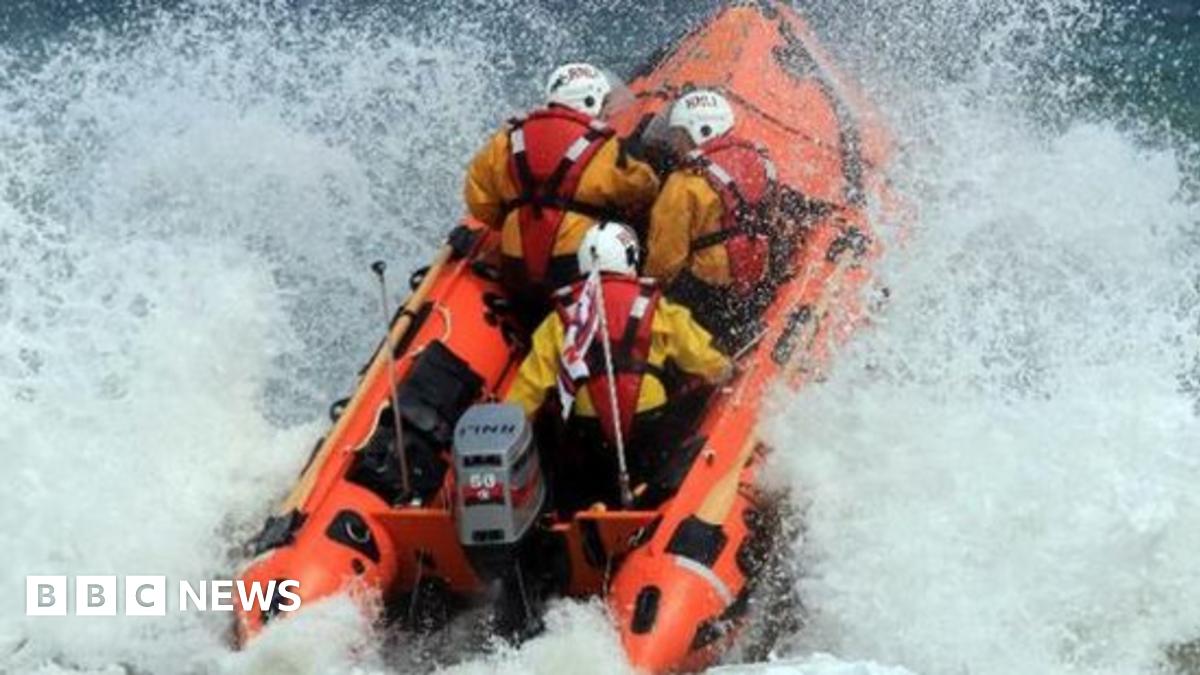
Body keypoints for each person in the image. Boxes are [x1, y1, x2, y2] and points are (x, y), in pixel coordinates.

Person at [506, 222, 732, 510]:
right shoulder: (656, 306)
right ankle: (655, 497)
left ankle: (592, 507)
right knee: (683, 425)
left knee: (574, 460)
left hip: (591, 431)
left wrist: (508, 428)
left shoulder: (561, 318)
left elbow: (530, 387)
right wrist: (725, 369)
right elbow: (698, 356)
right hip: (650, 421)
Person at [464, 63, 660, 322]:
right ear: (590, 101)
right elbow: (643, 188)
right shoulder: (605, 147)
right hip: (573, 266)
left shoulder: (508, 138)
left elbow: (480, 201)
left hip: (516, 267)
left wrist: (514, 220)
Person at [643, 89, 782, 351]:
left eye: (680, 135)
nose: (675, 144)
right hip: (754, 276)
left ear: (700, 131)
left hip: (707, 290)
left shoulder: (684, 183)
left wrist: (646, 289)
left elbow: (665, 260)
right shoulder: (761, 165)